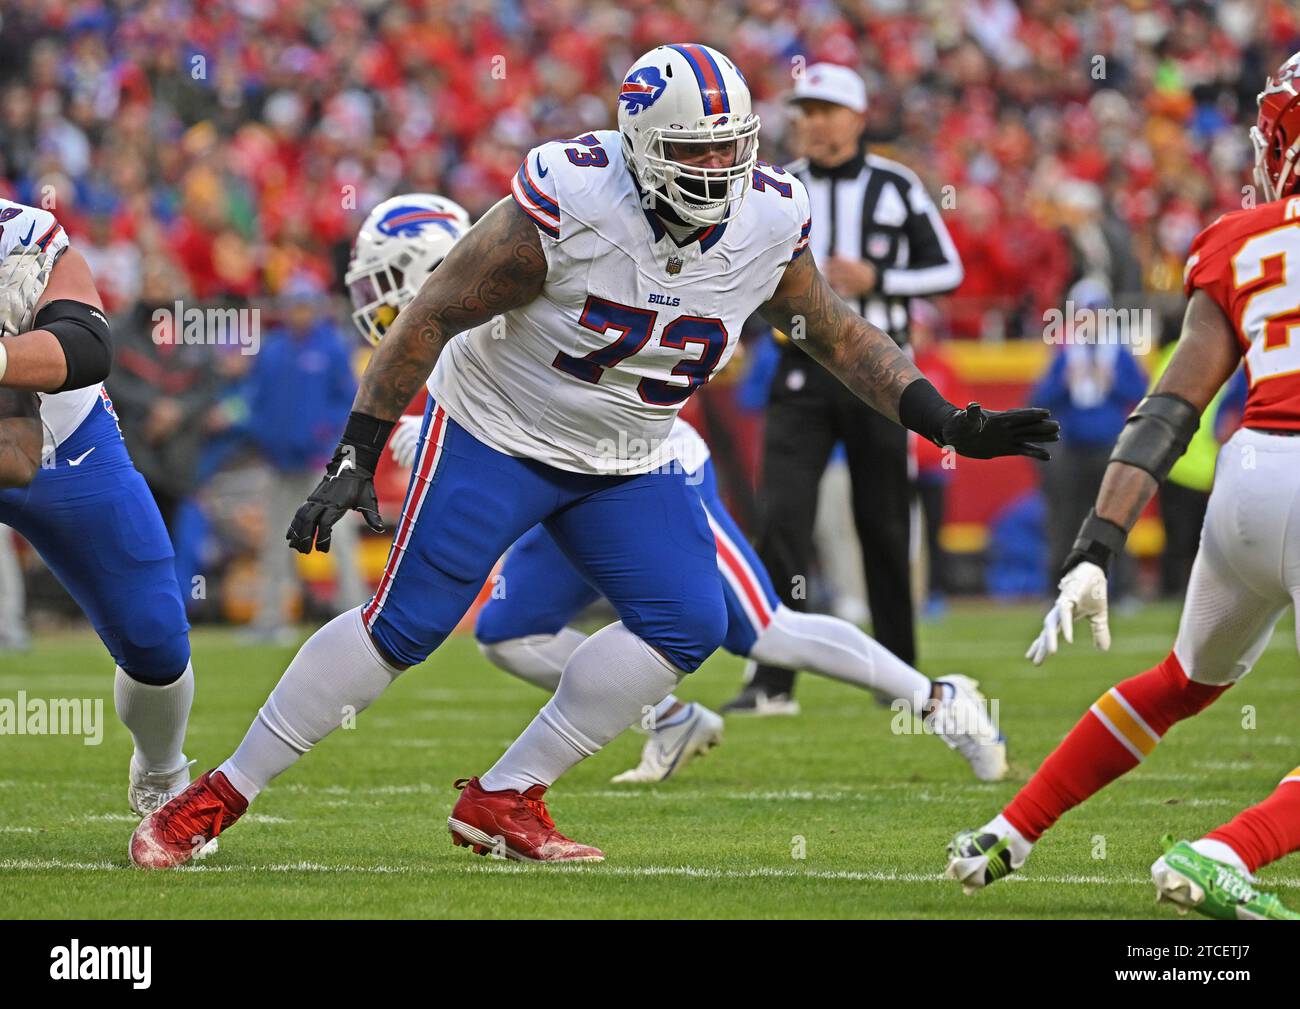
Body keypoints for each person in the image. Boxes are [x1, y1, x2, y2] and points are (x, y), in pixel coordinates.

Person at [132, 44, 1055, 869]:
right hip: (504, 429)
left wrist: (946, 420)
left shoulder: (769, 217)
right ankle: (218, 794)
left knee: (691, 621)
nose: (721, 166)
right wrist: (354, 451)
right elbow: (431, 315)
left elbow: (837, 334)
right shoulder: (569, 204)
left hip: (630, 451)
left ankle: (505, 794)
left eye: (733, 144)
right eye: (698, 149)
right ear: (645, 147)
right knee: (404, 625)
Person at [346, 195, 1005, 785]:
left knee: (764, 632)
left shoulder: (506, 304)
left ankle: (941, 699)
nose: (375, 299)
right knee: (510, 632)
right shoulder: (456, 336)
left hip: (648, 479)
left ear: (431, 264)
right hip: (567, 494)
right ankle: (669, 717)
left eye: (383, 279)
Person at [946, 52, 1300, 920]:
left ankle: (1009, 830)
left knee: (1182, 680)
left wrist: (1095, 547)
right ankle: (1221, 850)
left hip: (1249, 482)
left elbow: (1168, 409)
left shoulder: (1240, 237)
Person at [725, 62, 964, 714]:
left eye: (828, 110)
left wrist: (876, 275)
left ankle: (902, 679)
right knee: (781, 520)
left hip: (878, 374)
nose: (815, 123)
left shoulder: (896, 185)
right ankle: (774, 680)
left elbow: (948, 267)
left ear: (858, 117)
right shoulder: (775, 185)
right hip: (799, 370)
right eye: (806, 111)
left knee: (883, 522)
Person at [0, 197, 201, 820]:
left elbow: (88, 345)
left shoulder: (21, 232)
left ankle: (163, 767)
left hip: (65, 443)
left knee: (154, 637)